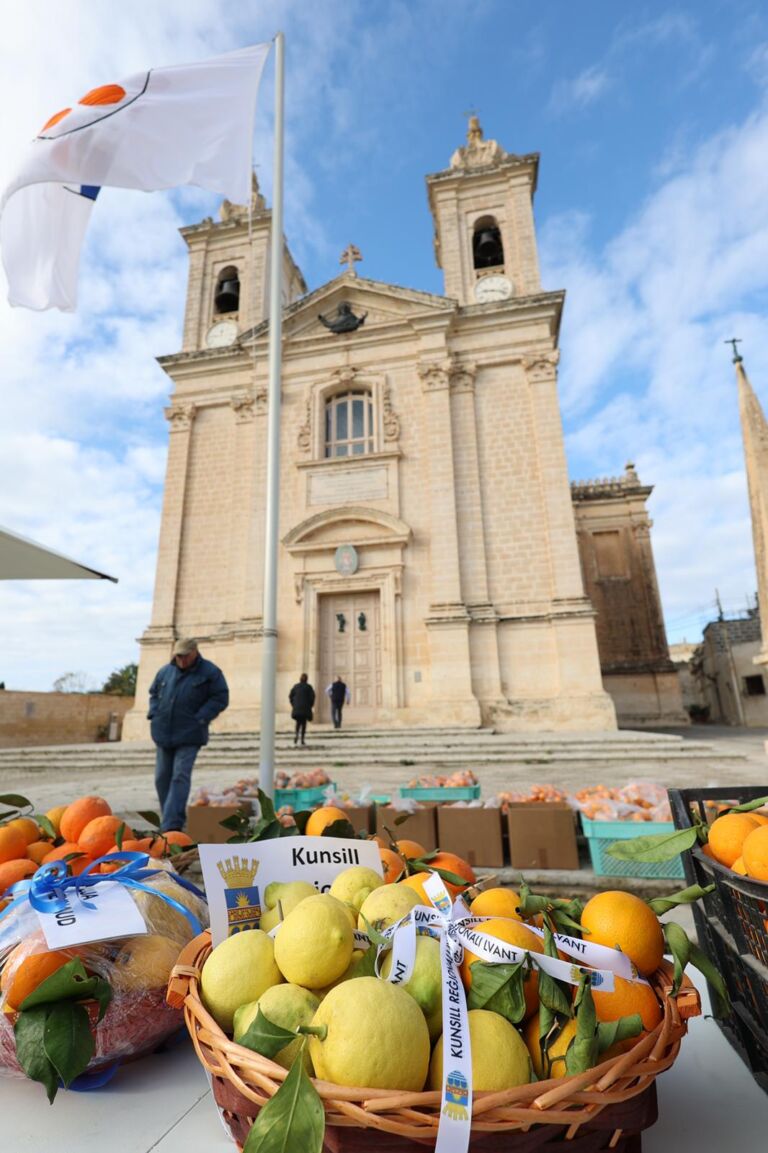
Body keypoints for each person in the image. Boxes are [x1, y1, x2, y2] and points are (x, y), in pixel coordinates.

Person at [147, 638, 229, 832]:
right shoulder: (165, 671)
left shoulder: (210, 672)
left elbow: (221, 697)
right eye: (178, 656)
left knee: (179, 776)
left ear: (194, 652)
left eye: (185, 656)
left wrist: (200, 718)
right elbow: (153, 693)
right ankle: (171, 815)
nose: (181, 660)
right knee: (161, 777)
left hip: (190, 733)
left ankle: (171, 825)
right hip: (163, 732)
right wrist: (154, 712)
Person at [289, 672, 315, 746]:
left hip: (297, 708)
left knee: (298, 722)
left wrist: (293, 704)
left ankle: (296, 734)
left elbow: (290, 696)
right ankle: (302, 739)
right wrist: (310, 705)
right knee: (303, 724)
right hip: (305, 709)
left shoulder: (296, 686)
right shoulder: (309, 687)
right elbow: (312, 697)